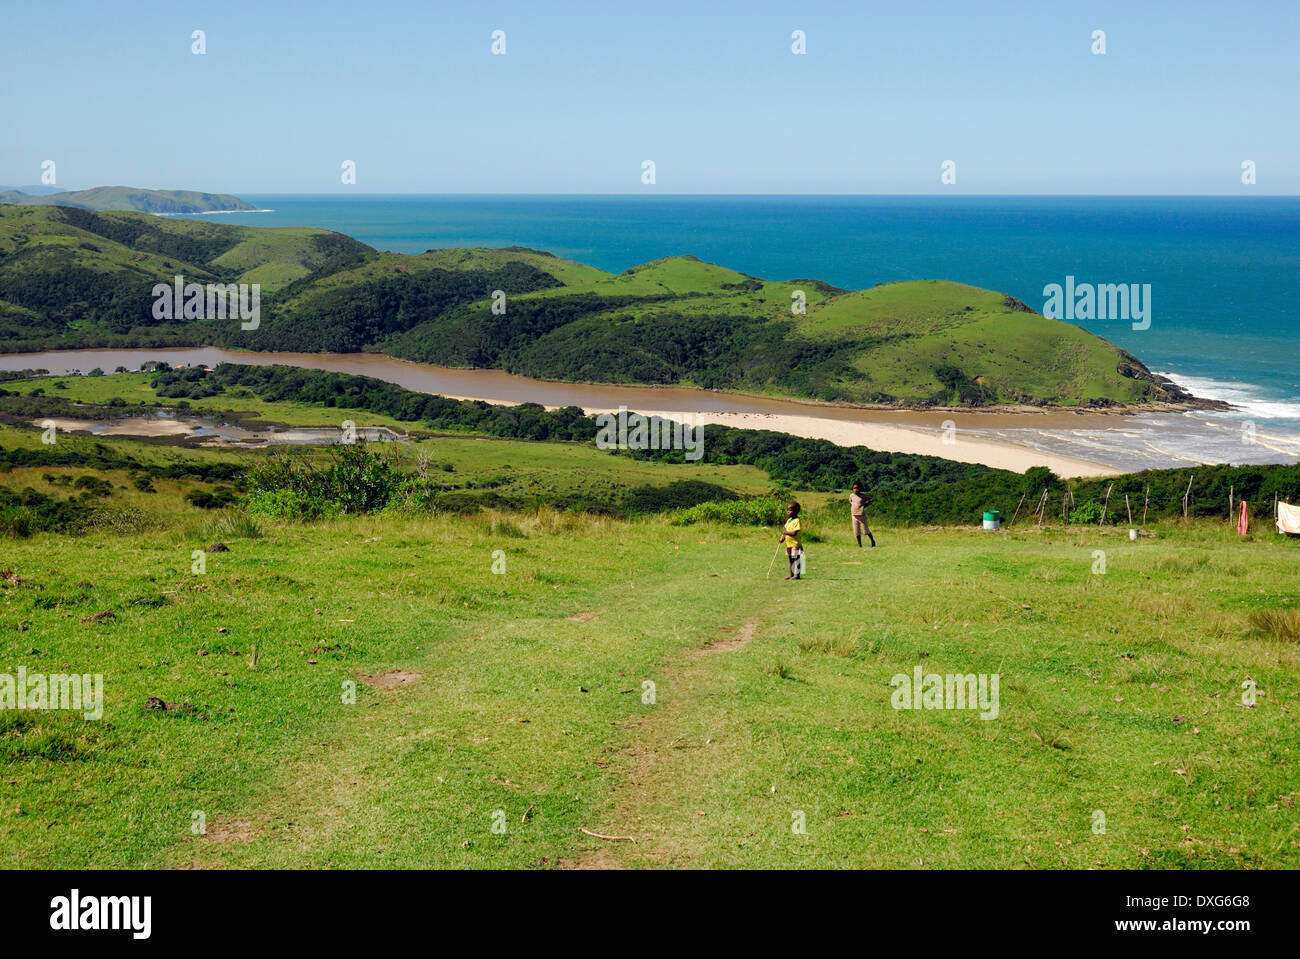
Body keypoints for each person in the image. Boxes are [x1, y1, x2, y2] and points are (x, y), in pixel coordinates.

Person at [778, 501, 804, 580]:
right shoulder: (789, 521)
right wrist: (782, 538)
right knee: (790, 560)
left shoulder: (797, 521)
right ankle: (791, 574)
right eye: (787, 510)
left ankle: (797, 575)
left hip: (795, 544)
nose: (788, 512)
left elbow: (794, 533)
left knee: (796, 559)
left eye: (790, 510)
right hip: (788, 544)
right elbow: (786, 530)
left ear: (795, 511)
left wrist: (786, 533)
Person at [850, 481, 876, 548]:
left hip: (862, 516)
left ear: (860, 489)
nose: (856, 490)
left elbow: (872, 499)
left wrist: (865, 505)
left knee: (865, 531)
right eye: (854, 488)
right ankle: (859, 544)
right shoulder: (852, 495)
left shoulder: (863, 496)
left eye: (857, 488)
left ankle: (873, 541)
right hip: (854, 516)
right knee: (856, 531)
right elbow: (851, 501)